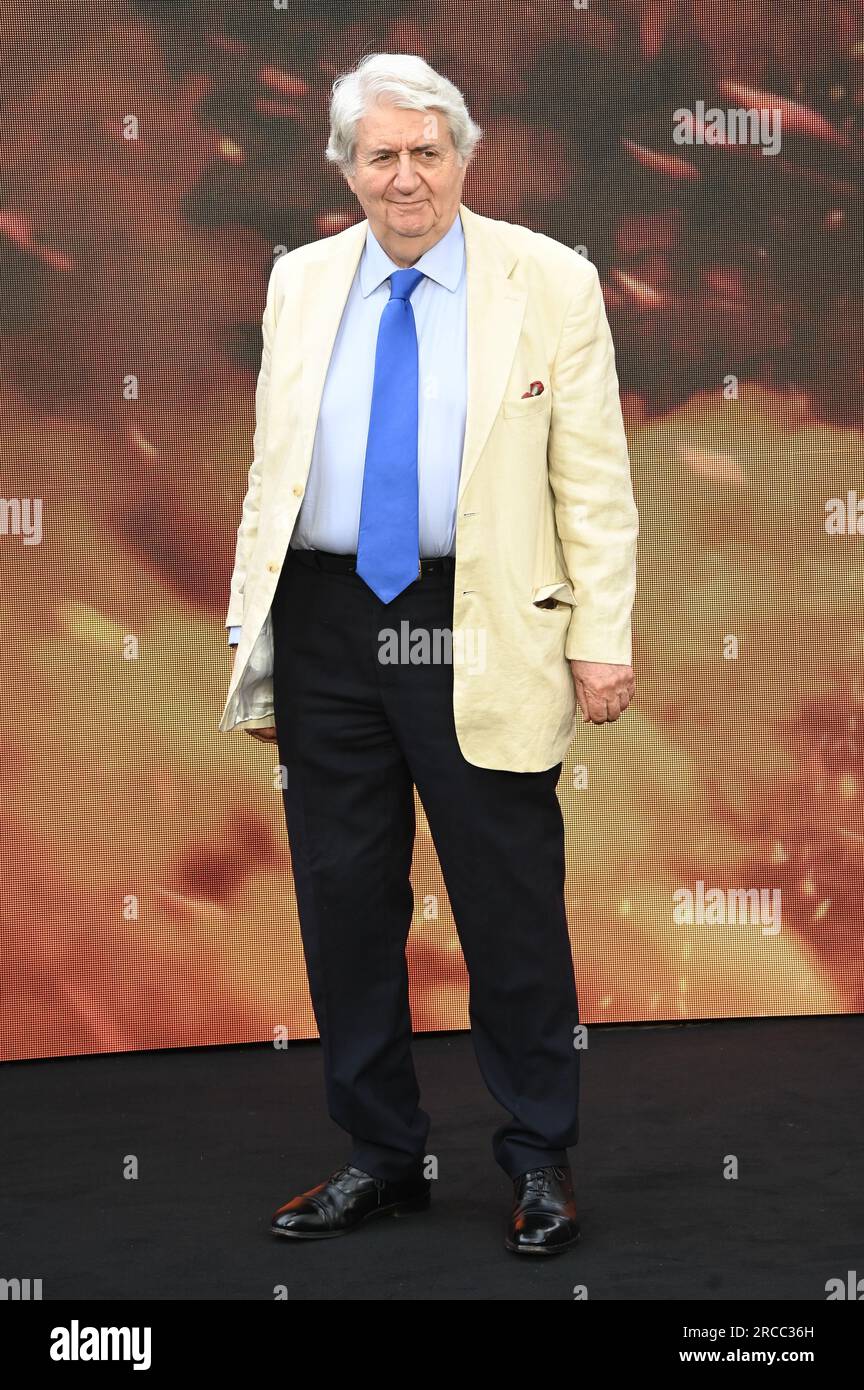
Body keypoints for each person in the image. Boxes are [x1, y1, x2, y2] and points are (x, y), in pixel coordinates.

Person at [219, 52, 638, 1256]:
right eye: (380, 154)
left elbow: (595, 480)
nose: (406, 176)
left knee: (508, 904)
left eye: (427, 151)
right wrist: (256, 639)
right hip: (328, 623)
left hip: (485, 615)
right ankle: (381, 1154)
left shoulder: (548, 280)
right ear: (347, 169)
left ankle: (538, 1159)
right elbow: (272, 471)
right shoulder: (299, 281)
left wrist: (601, 640)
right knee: (346, 901)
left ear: (465, 155)